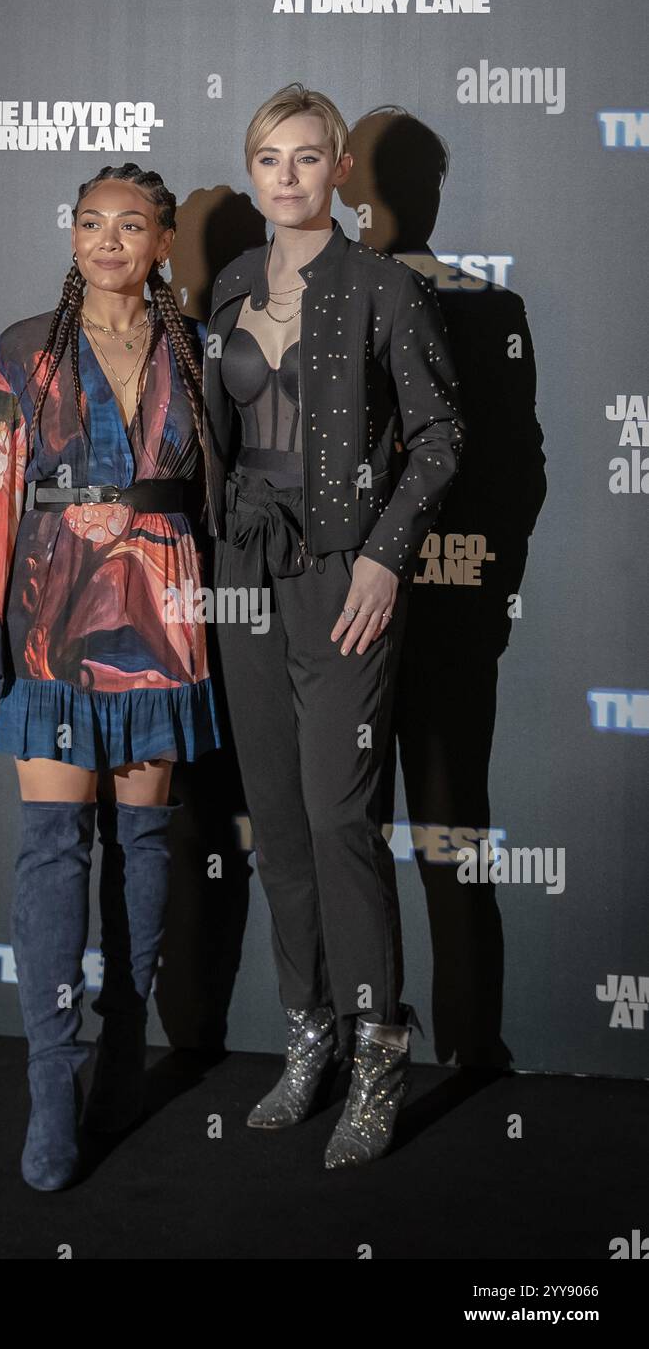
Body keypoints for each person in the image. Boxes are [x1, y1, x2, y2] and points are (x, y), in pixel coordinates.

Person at [0, 164, 221, 1192]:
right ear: (71, 236)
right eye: (89, 222)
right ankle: (52, 1092)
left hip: (159, 613)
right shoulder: (24, 348)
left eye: (128, 224)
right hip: (49, 618)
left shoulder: (197, 349)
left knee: (142, 839)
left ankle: (122, 1057)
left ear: (160, 242)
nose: (105, 240)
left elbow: (227, 488)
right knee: (54, 847)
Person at [201, 84, 464, 1168]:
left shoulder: (380, 289)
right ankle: (304, 1032)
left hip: (339, 576)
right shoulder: (221, 288)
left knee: (338, 817)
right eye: (269, 157)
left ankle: (376, 1048)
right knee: (275, 817)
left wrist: (381, 557)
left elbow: (441, 435)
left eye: (308, 157)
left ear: (340, 169)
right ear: (253, 166)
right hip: (243, 572)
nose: (287, 175)